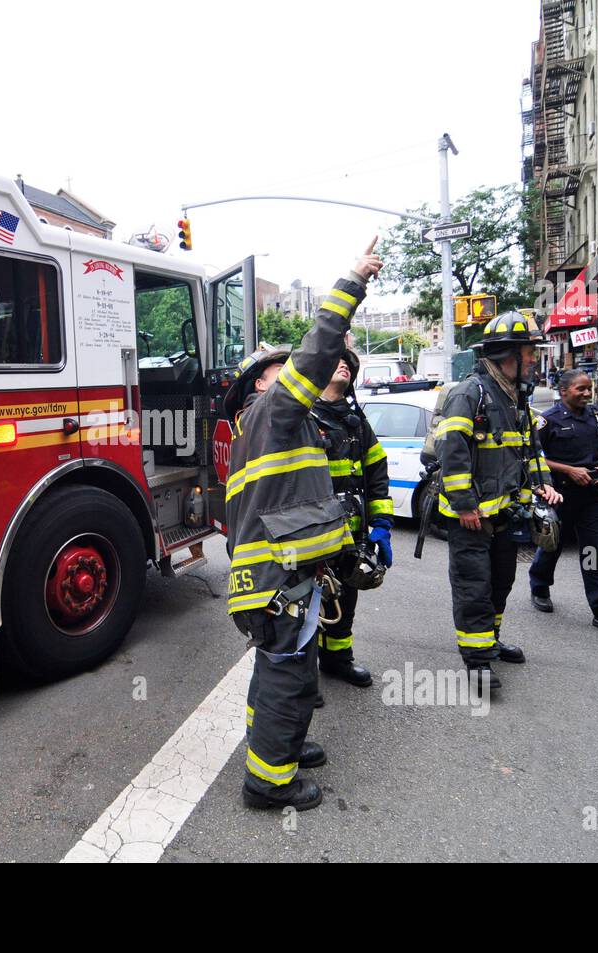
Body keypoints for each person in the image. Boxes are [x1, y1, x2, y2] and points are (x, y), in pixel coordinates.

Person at [223, 238, 383, 811]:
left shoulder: (265, 432)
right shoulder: (273, 412)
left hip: (278, 578)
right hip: (278, 580)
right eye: (277, 370)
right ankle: (268, 782)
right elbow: (317, 350)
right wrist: (354, 281)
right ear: (259, 389)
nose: (290, 374)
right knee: (288, 676)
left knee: (279, 672)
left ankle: (277, 743)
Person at [432, 312, 562, 695]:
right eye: (530, 351)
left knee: (501, 583)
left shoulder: (514, 395)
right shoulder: (470, 393)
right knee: (474, 587)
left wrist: (543, 484)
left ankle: (489, 639)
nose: (535, 359)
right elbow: (451, 449)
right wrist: (465, 505)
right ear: (510, 353)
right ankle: (476, 662)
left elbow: (530, 449)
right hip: (469, 519)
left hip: (504, 514)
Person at [528, 370, 598, 637]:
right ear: (564, 391)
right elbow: (534, 456)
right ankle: (539, 586)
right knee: (552, 546)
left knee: (594, 553)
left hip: (594, 498)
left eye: (590, 388)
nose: (587, 393)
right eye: (581, 389)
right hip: (560, 496)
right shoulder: (547, 420)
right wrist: (569, 470)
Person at [311, 350, 394, 690]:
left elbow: (376, 473)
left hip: (351, 533)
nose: (344, 364)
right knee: (309, 606)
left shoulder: (356, 421)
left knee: (345, 600)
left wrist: (382, 525)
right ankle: (302, 681)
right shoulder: (305, 418)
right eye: (336, 361)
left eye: (348, 363)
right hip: (313, 533)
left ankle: (337, 661)